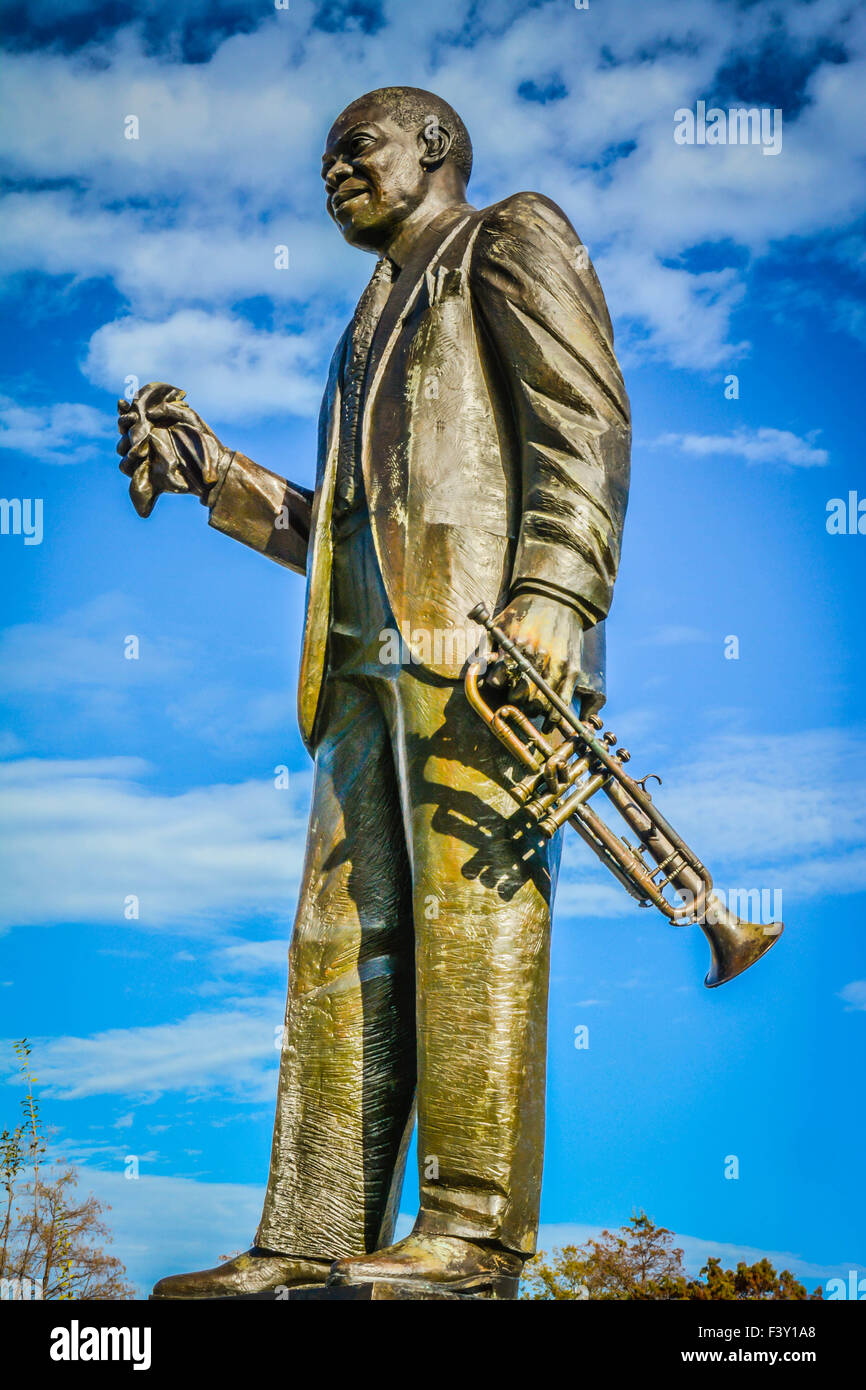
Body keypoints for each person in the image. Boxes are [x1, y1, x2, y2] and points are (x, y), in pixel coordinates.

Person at [118, 86, 630, 1299]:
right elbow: (342, 528)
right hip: (357, 668)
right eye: (326, 162)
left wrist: (557, 589)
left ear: (433, 146)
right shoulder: (364, 323)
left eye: (356, 148)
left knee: (475, 928)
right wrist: (216, 476)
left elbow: (583, 418)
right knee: (337, 950)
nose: (334, 172)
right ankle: (306, 1236)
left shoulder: (507, 235)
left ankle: (466, 1234)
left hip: (487, 653)